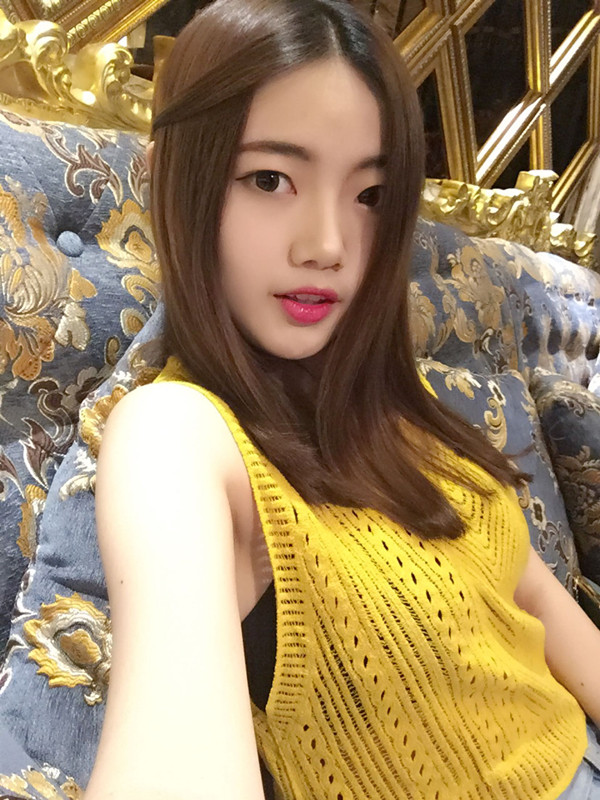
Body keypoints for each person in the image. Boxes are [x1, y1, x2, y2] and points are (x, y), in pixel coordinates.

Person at [85, 1, 600, 798]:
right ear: (170, 182)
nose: (327, 245)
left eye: (370, 195)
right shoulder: (175, 435)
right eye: (270, 179)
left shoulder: (404, 414)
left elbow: (530, 592)